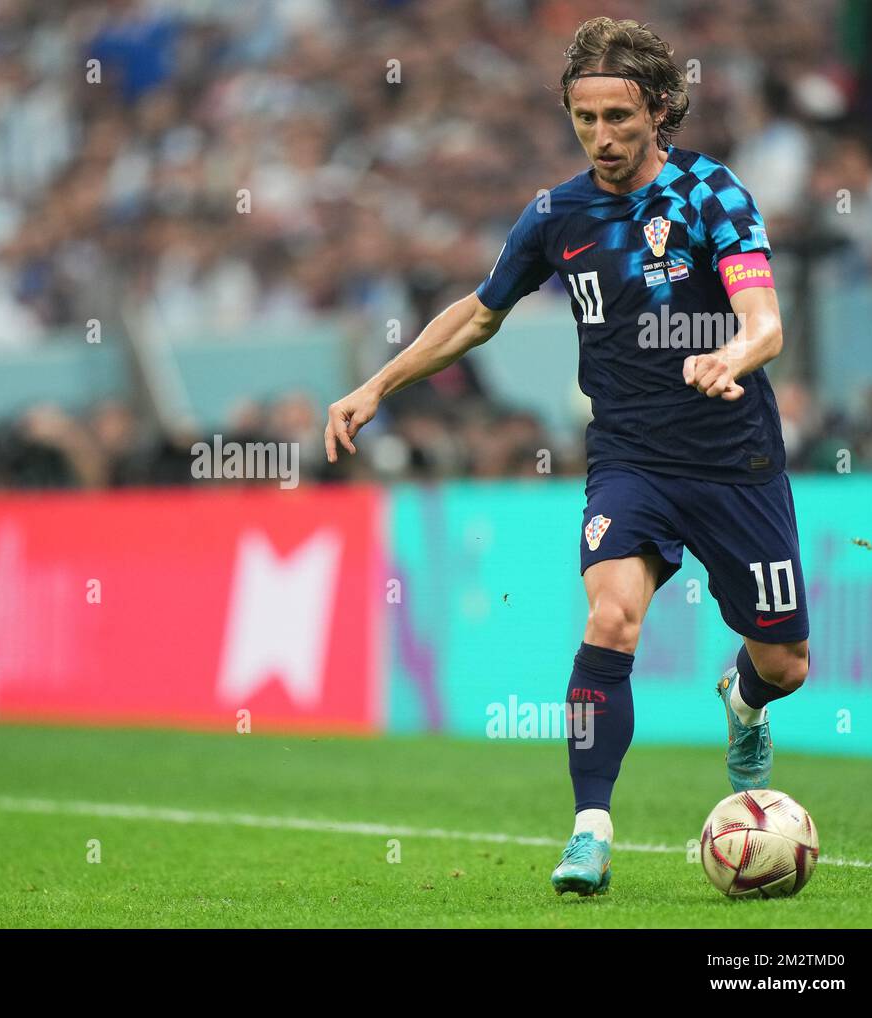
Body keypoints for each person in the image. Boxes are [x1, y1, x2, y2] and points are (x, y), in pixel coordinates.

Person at [322, 17, 810, 897]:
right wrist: (377, 386)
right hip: (629, 460)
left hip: (735, 460)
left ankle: (741, 703)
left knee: (785, 663)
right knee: (610, 618)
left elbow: (765, 322)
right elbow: (478, 314)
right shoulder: (557, 215)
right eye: (584, 118)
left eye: (619, 117)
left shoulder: (712, 194)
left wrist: (730, 356)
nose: (602, 137)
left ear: (659, 109)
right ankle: (590, 831)